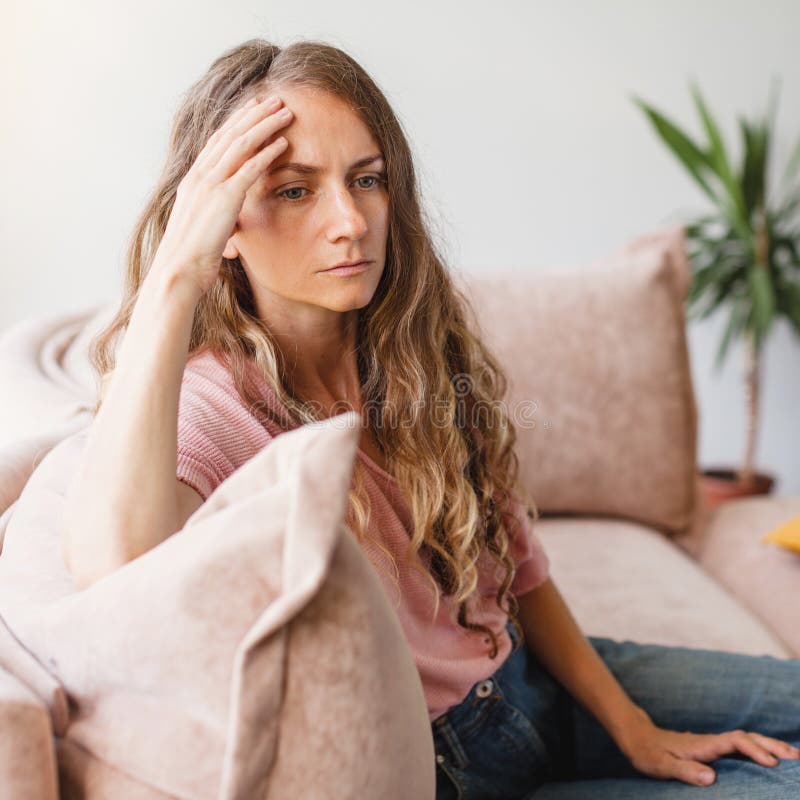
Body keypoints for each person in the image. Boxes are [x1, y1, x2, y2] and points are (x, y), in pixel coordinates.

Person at [60, 38, 800, 799]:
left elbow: (518, 565)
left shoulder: (416, 351)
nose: (350, 221)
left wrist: (632, 726)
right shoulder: (212, 408)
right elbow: (114, 568)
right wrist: (179, 266)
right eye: (293, 190)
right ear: (223, 227)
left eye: (367, 179)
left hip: (531, 682)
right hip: (449, 768)